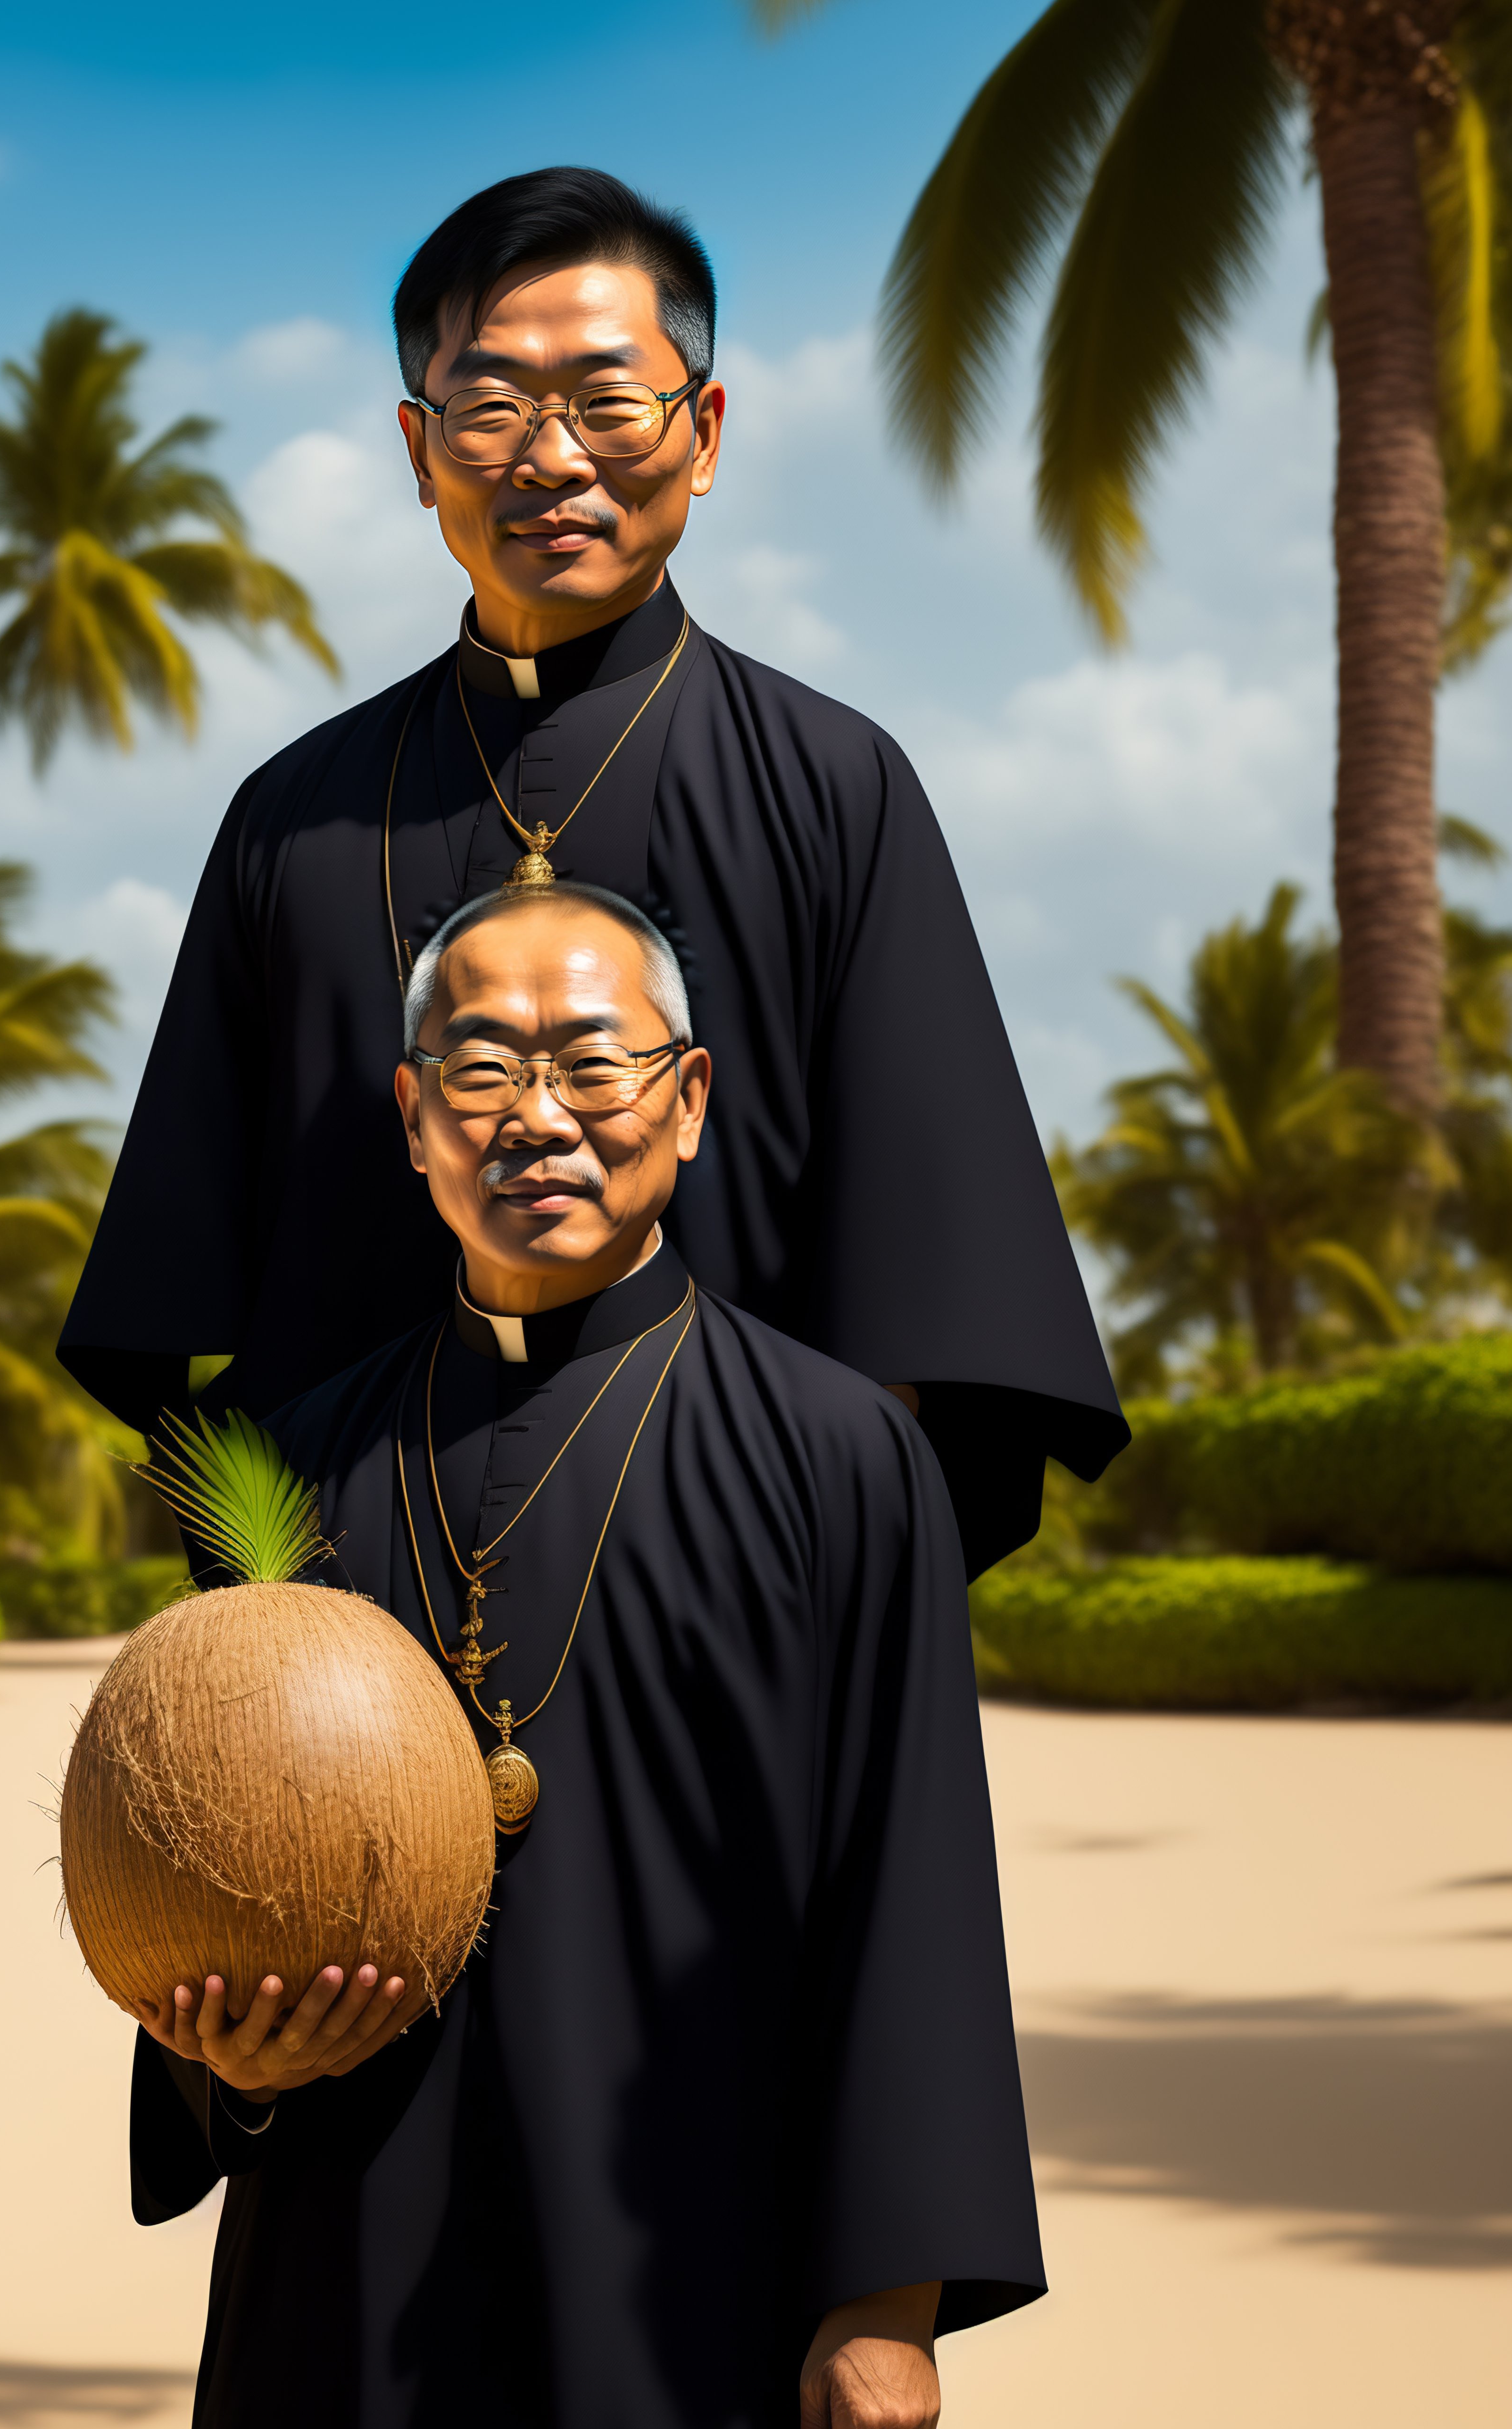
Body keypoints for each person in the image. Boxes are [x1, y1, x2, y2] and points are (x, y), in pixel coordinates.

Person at [129, 883, 1044, 2429]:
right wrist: (225, 2081)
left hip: (706, 2278)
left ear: (686, 1103)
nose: (536, 1116)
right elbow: (204, 1851)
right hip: (348, 2239)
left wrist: (889, 2303)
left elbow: (907, 1887)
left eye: (589, 1063)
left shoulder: (841, 1456)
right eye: (477, 1069)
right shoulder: (287, 1467)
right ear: (410, 1120)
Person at [61, 164, 1125, 1578]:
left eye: (610, 405)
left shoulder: (833, 788)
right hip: (346, 1637)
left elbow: (943, 1302)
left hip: (730, 1608)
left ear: (704, 432)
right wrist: (276, 1595)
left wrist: (809, 1587)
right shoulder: (290, 820)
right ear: (417, 445)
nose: (550, 461)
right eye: (490, 407)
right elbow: (177, 1307)